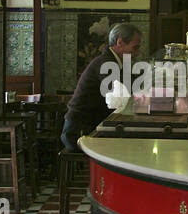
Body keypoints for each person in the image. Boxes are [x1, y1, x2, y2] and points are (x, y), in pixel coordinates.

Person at [60, 22, 142, 150]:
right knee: (128, 148)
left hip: (89, 126)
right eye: (135, 48)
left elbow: (130, 85)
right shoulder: (106, 63)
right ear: (120, 43)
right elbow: (120, 98)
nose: (137, 53)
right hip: (78, 132)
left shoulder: (116, 62)